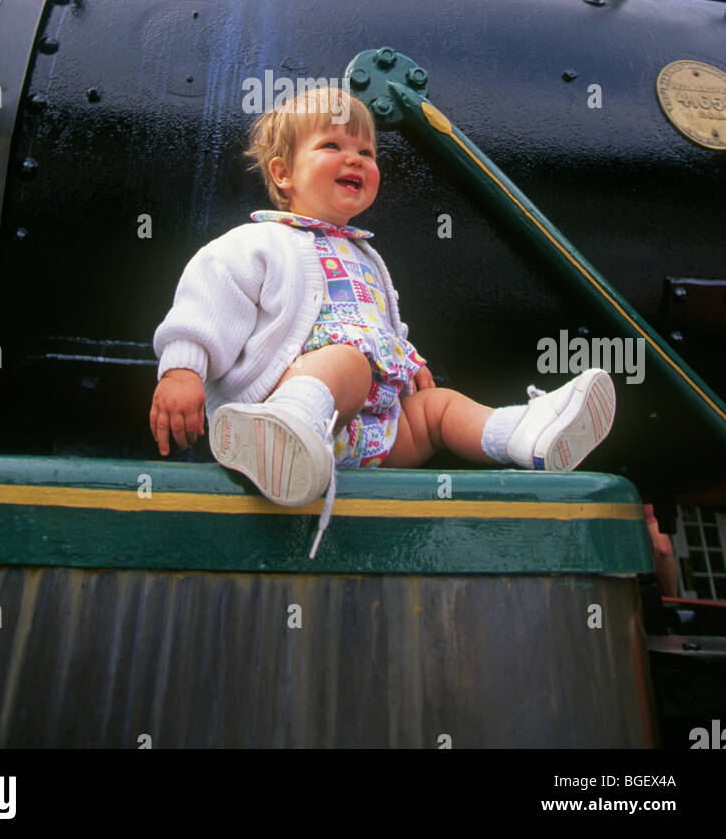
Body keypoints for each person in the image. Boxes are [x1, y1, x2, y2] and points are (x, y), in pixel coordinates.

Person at [150, 87, 616, 555]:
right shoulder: (257, 243)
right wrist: (182, 371)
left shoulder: (367, 257)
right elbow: (207, 303)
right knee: (348, 363)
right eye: (332, 145)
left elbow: (380, 328)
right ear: (283, 173)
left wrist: (409, 362)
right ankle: (284, 431)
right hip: (278, 410)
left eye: (366, 152)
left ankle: (524, 434)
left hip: (366, 435)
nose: (354, 159)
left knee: (437, 410)